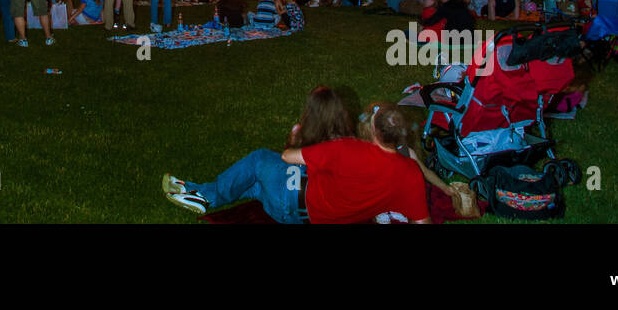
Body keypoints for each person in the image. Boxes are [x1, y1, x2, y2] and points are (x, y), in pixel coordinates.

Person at [162, 89, 430, 224]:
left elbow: (288, 156)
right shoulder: (410, 174)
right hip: (306, 217)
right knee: (254, 185)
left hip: (294, 199)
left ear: (373, 128)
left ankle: (207, 196)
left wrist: (294, 138)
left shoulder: (348, 149)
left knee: (260, 160)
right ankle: (197, 191)